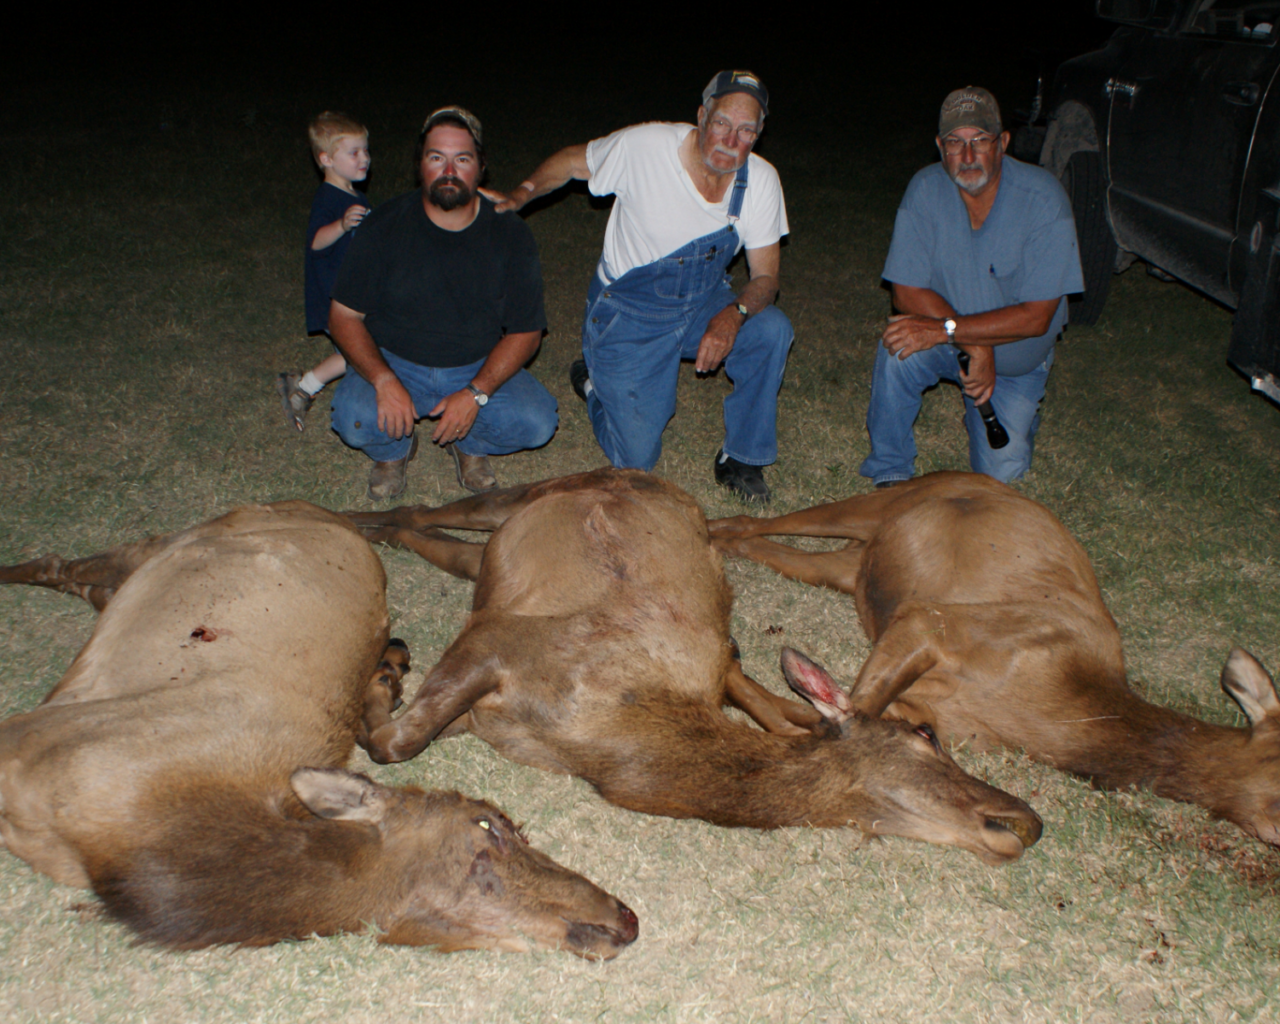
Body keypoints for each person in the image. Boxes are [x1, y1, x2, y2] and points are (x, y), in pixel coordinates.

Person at [490, 70, 792, 502]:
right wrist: (521, 194)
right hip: (627, 313)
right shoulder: (648, 146)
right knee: (637, 462)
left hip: (703, 303)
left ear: (758, 135)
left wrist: (734, 314)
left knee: (771, 329)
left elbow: (766, 278)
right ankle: (593, 386)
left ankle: (741, 458)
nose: (731, 140)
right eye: (722, 123)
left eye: (746, 131)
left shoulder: (761, 181)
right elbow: (572, 162)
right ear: (702, 116)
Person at [327, 107, 557, 499]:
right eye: (436, 157)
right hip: (395, 360)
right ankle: (394, 451)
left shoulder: (510, 233)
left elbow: (527, 331)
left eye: (462, 159)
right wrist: (383, 380)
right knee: (352, 419)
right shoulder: (384, 225)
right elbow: (343, 316)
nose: (448, 170)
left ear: (481, 168)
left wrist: (476, 393)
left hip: (475, 363)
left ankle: (469, 444)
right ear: (420, 165)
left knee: (537, 423)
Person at [860, 86, 1084, 487]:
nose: (967, 156)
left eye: (979, 140)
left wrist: (954, 331)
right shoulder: (925, 190)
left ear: (1003, 143)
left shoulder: (1044, 199)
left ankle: (1014, 416)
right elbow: (905, 292)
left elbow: (1036, 318)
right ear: (940, 147)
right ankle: (890, 472)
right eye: (954, 142)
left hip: (1016, 362)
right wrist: (970, 342)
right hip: (946, 339)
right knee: (898, 345)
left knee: (1000, 478)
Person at [277, 112, 372, 431]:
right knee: (359, 353)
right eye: (354, 152)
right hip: (334, 298)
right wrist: (341, 225)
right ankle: (302, 388)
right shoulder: (328, 199)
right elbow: (316, 241)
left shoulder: (356, 196)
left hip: (355, 293)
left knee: (364, 351)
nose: (364, 159)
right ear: (326, 159)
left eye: (366, 150)